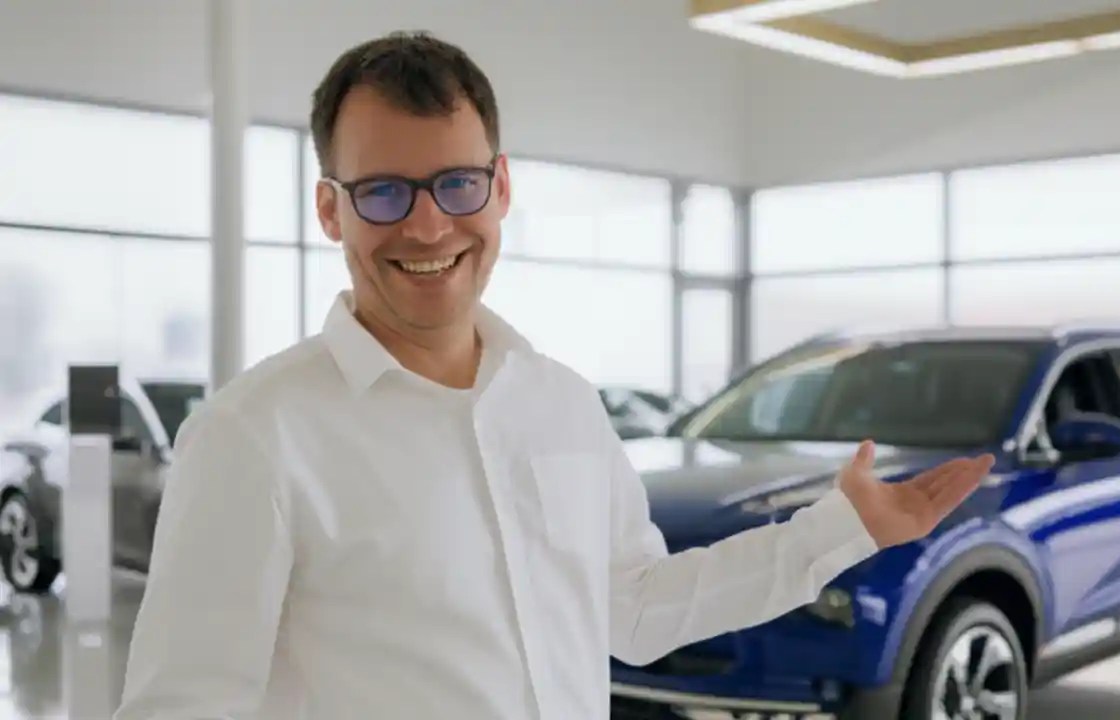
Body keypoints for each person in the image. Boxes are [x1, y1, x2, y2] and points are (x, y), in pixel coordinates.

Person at [113, 31, 994, 720]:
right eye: (384, 192)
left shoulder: (562, 404)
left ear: (499, 188)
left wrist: (834, 534)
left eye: (455, 185)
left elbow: (637, 611)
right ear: (328, 209)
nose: (426, 228)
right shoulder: (254, 437)